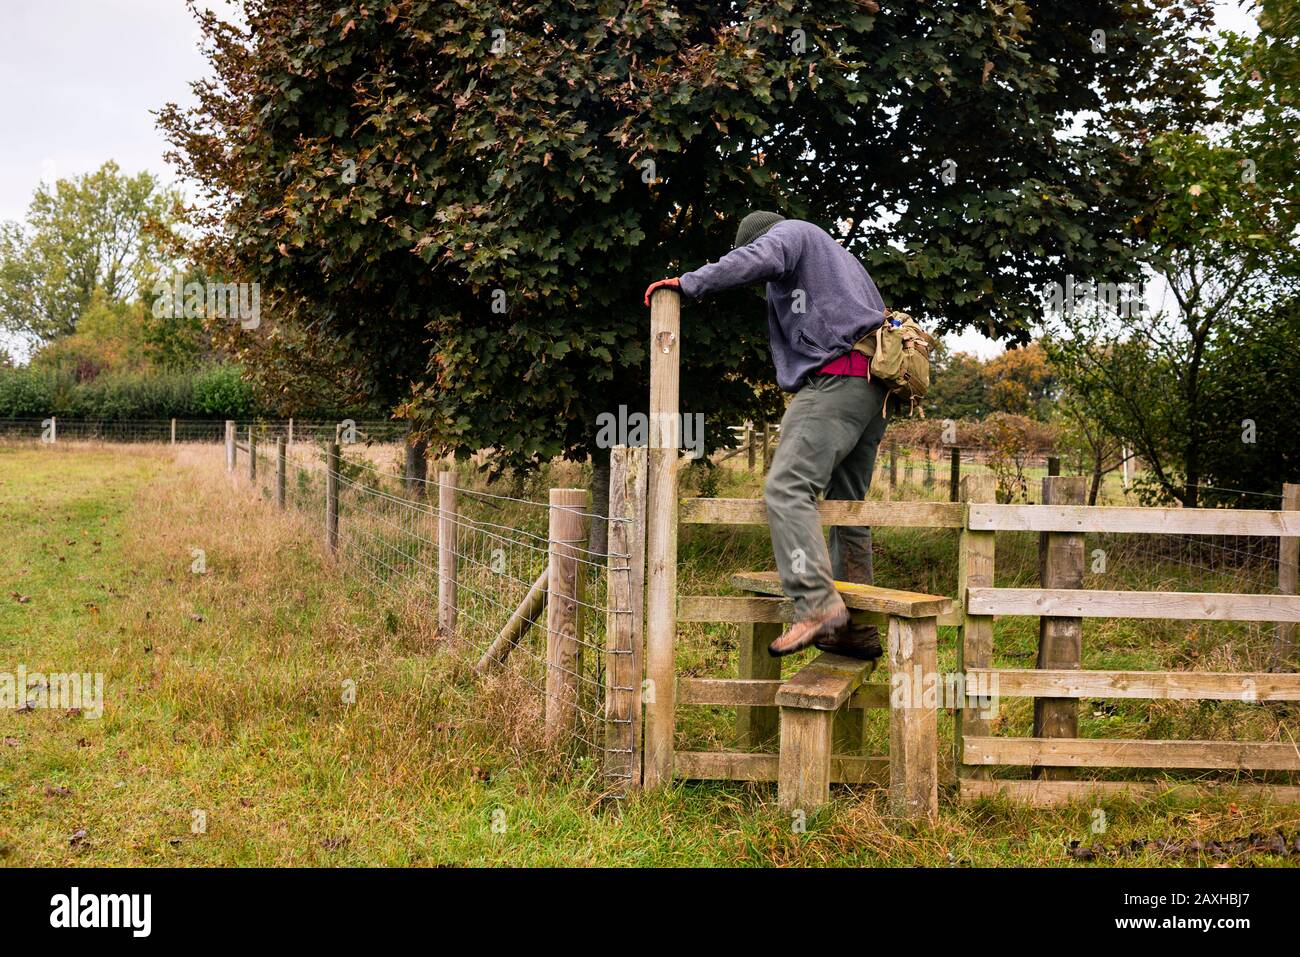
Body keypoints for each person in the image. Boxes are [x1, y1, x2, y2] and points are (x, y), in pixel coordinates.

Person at [644, 211, 890, 660]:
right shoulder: (840, 259)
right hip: (873, 390)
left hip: (836, 382)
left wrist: (688, 283)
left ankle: (817, 606)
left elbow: (761, 256)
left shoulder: (790, 234)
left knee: (786, 487)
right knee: (845, 507)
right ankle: (854, 630)